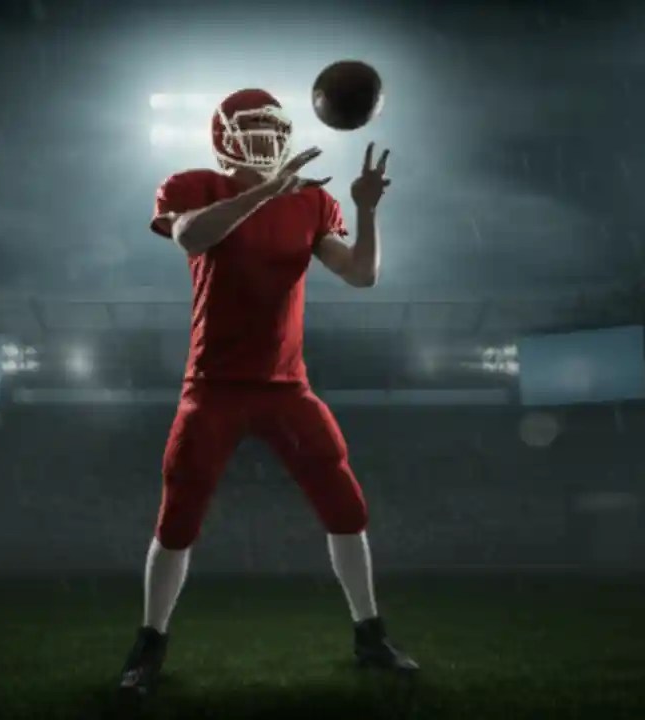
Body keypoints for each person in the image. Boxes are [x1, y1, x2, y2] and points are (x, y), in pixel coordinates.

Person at [119, 88, 417, 696]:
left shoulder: (310, 200)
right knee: (178, 515)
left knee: (345, 505)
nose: (264, 137)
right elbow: (190, 239)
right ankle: (149, 644)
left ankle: (370, 634)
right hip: (213, 383)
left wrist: (365, 210)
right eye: (251, 126)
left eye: (271, 126)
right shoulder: (195, 184)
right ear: (222, 135)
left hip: (285, 385)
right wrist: (263, 192)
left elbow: (361, 275)